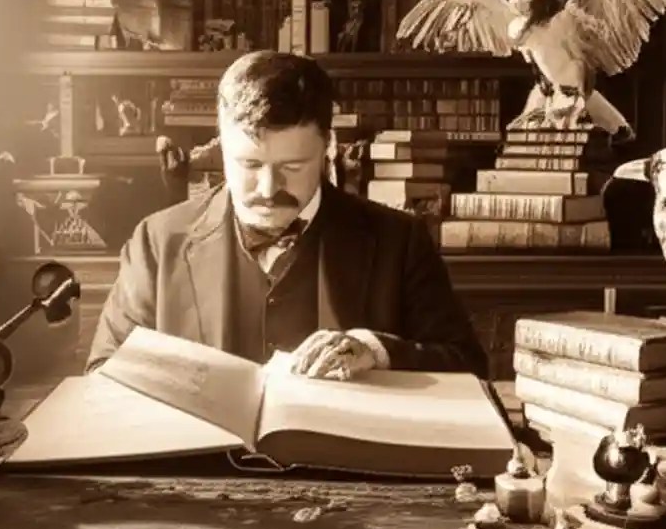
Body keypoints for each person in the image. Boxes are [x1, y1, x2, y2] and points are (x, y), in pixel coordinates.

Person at [86, 50, 488, 380]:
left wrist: (378, 350)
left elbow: (468, 368)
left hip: (349, 474)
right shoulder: (155, 242)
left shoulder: (400, 241)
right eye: (248, 164)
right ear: (220, 144)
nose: (267, 189)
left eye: (292, 167)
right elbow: (103, 373)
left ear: (328, 146)